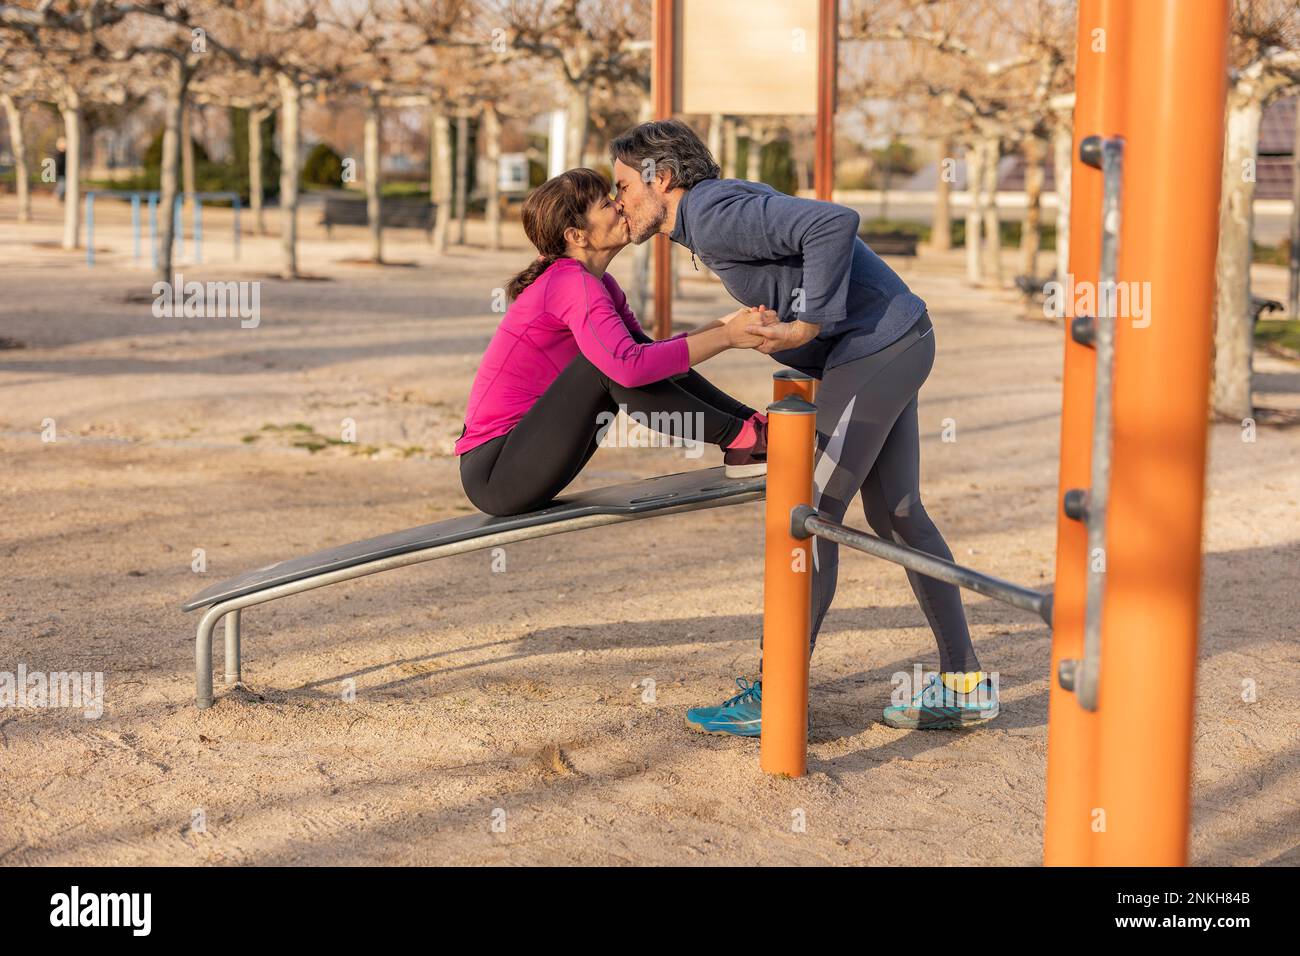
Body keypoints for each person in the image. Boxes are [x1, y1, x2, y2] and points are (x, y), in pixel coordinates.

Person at [609, 120, 998, 733]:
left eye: (624, 185)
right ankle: (965, 682)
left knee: (808, 514)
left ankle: (777, 694)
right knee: (898, 514)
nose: (618, 201)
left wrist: (807, 326)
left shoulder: (709, 212)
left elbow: (832, 223)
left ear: (661, 178)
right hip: (893, 342)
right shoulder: (712, 214)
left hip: (875, 351)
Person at [456, 167, 773, 519]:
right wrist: (726, 338)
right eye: (605, 203)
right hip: (497, 472)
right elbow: (629, 368)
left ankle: (752, 430)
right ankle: (743, 439)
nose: (620, 205)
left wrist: (726, 325)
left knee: (628, 353)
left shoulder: (597, 283)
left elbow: (649, 358)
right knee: (607, 364)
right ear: (577, 235)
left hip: (520, 459)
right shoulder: (570, 285)